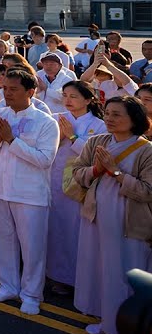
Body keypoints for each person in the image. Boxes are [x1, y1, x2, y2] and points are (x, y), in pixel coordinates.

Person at [0, 69, 59, 315]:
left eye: (14, 89)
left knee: (32, 247)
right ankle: (8, 286)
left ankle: (32, 294)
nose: (7, 93)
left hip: (30, 194)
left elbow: (44, 160)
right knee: (2, 241)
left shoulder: (46, 122)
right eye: (5, 89)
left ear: (31, 92)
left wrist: (12, 140)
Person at [71, 95, 152, 334]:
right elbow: (77, 172)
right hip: (96, 216)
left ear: (134, 119)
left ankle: (120, 326)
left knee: (121, 272)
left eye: (117, 114)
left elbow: (148, 192)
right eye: (107, 113)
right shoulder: (97, 141)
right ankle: (102, 313)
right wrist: (95, 170)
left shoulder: (146, 150)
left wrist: (115, 172)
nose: (109, 118)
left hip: (127, 221)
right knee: (97, 266)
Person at [45, 81, 106, 296]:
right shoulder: (55, 118)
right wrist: (58, 137)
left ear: (88, 100)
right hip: (54, 180)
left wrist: (72, 137)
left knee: (76, 231)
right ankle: (53, 274)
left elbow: (95, 155)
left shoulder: (99, 125)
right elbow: (44, 149)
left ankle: (77, 278)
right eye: (65, 95)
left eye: (74, 96)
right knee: (54, 228)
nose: (68, 100)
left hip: (80, 185)